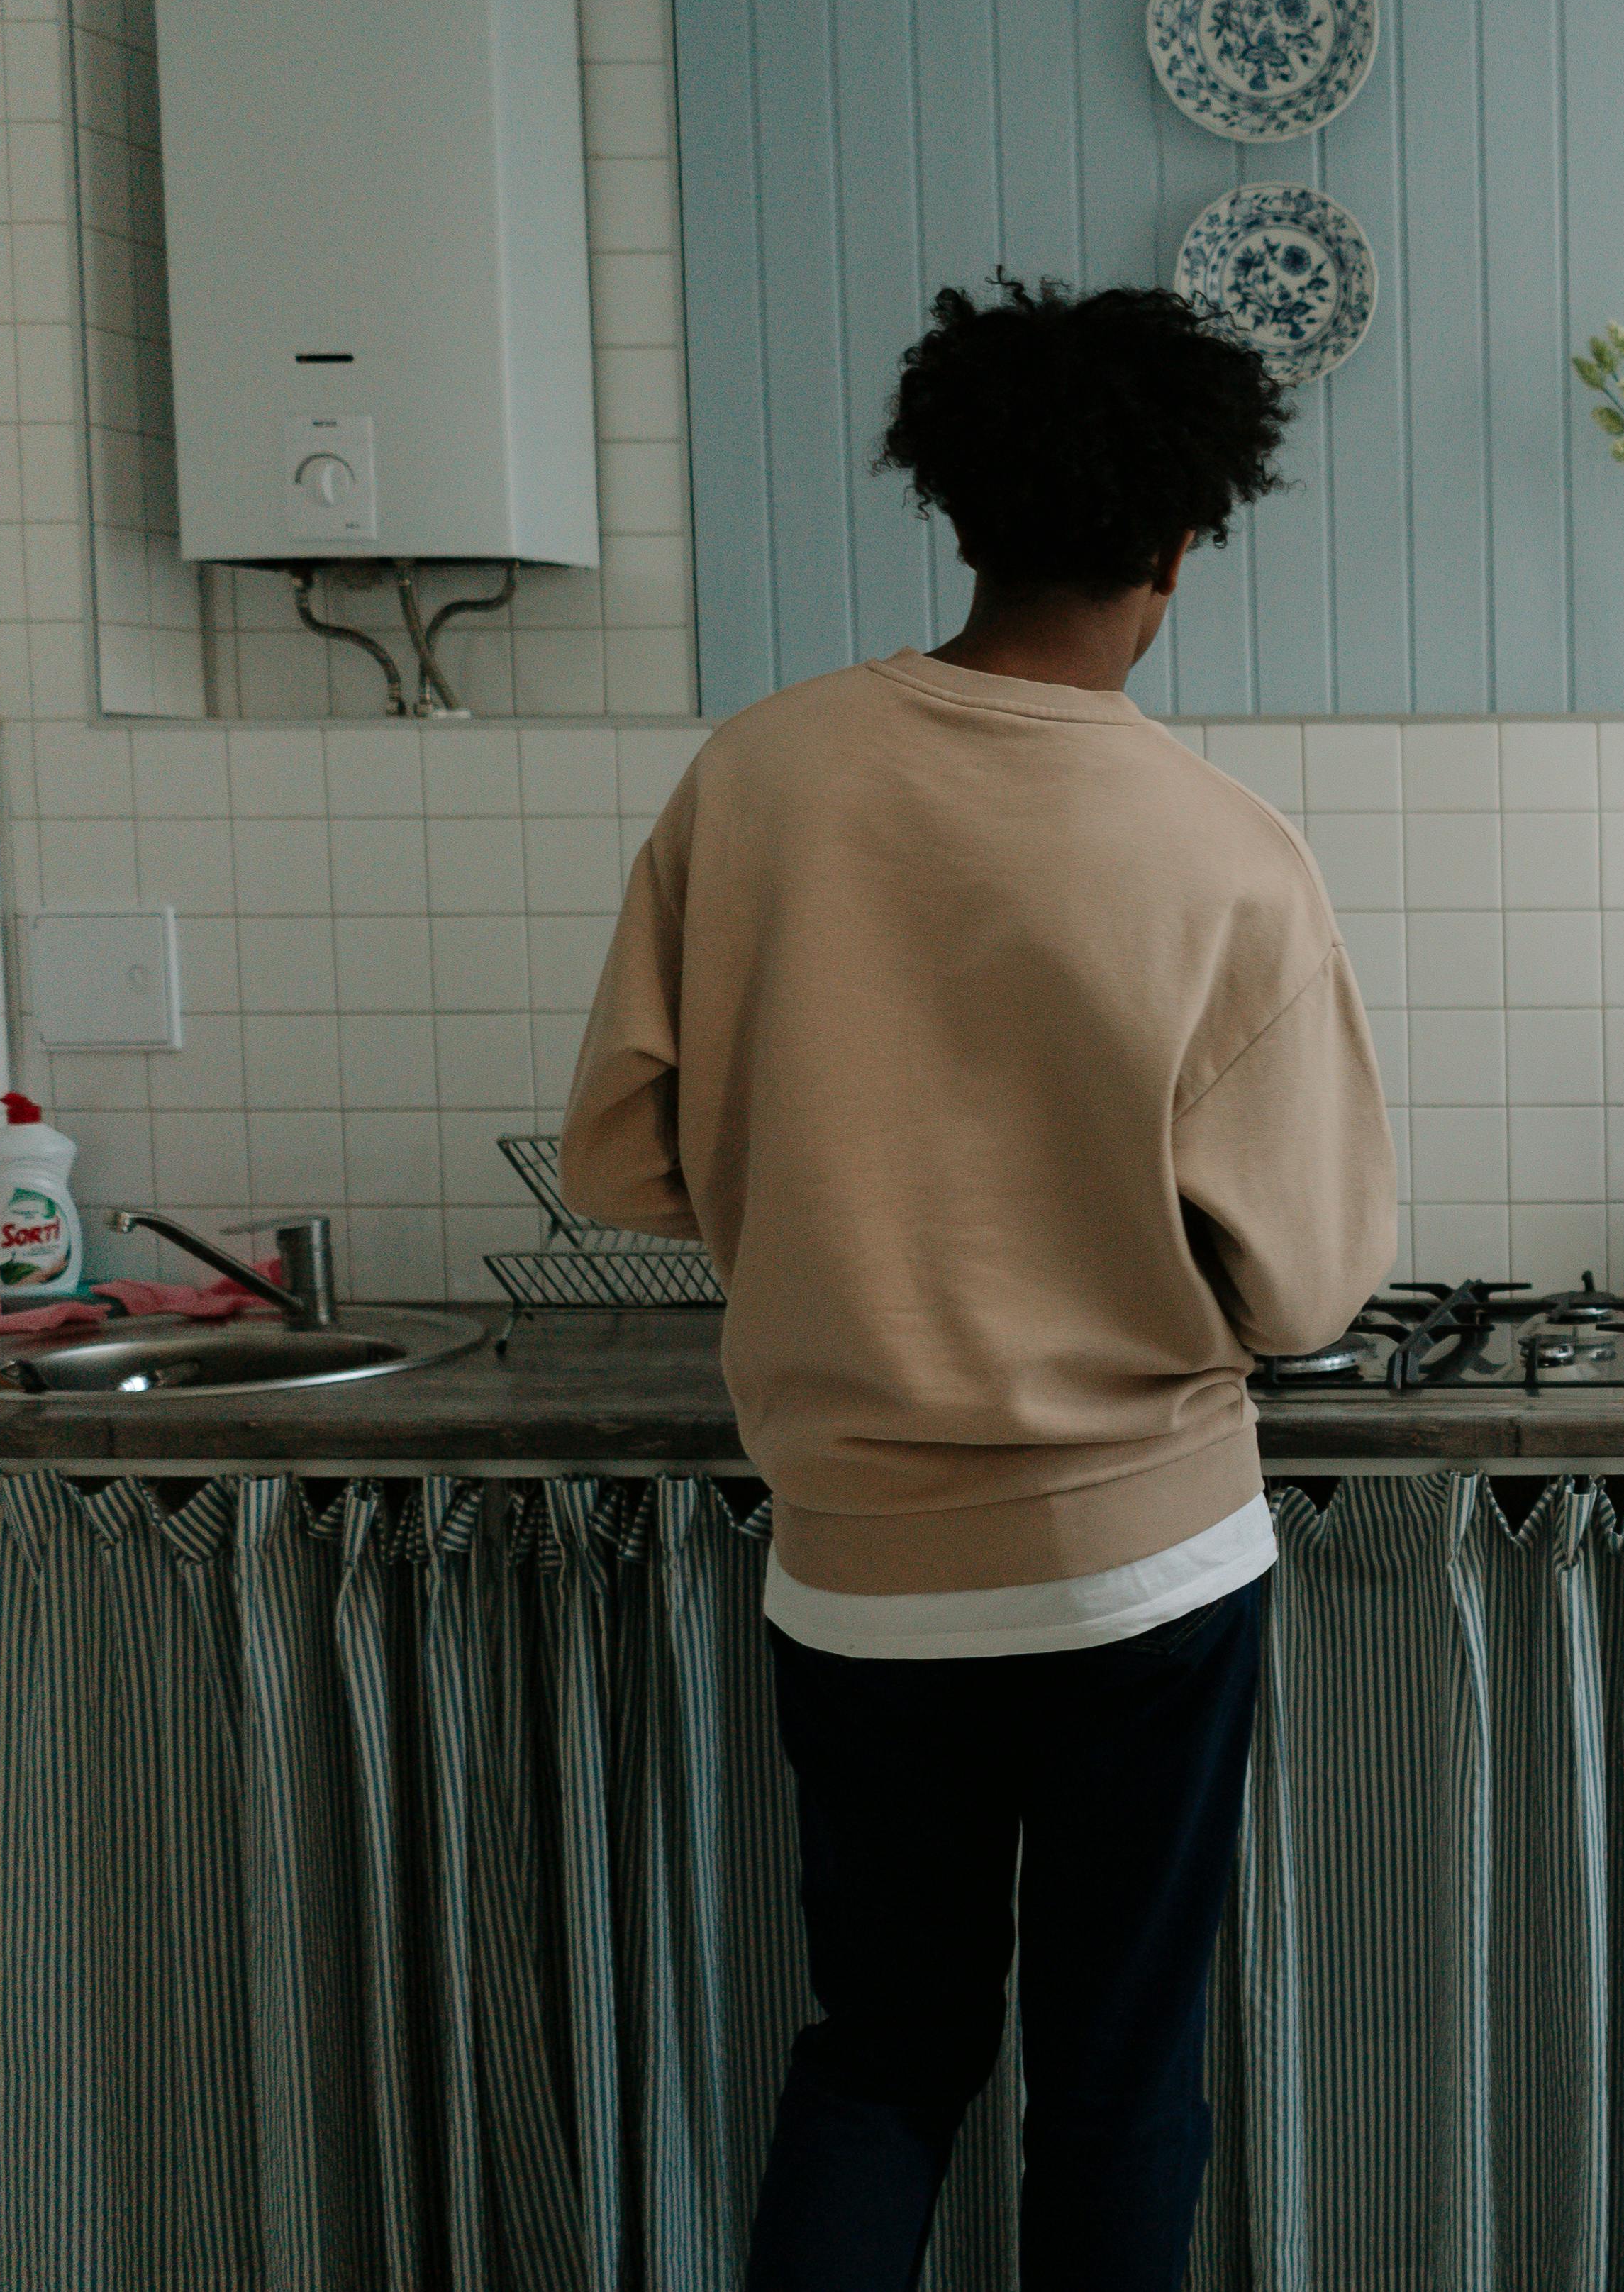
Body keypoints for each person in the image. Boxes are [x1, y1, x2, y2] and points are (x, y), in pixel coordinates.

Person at [560, 277, 1396, 2292]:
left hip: (857, 1563)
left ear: (958, 505)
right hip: (1139, 1572)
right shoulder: (1225, 854)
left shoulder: (752, 783)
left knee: (882, 2055)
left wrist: (846, 1217)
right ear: (1182, 545)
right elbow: (1304, 1287)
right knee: (1114, 2078)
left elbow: (619, 1158)